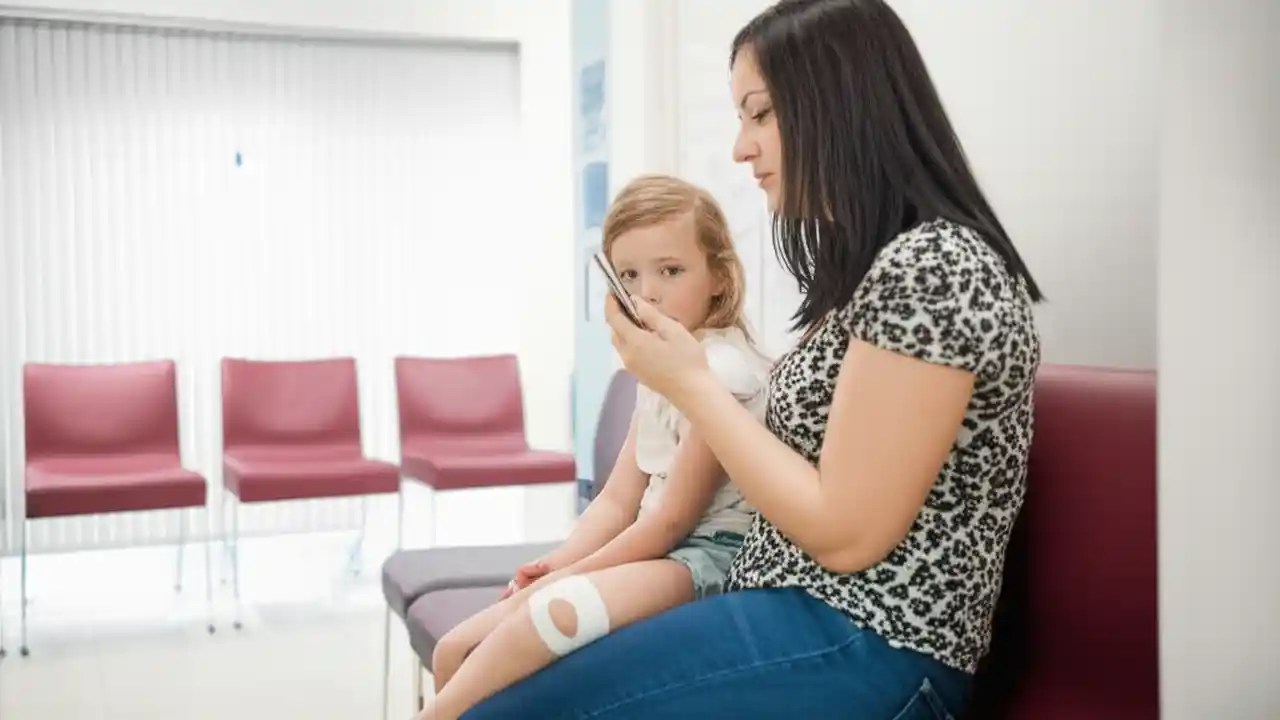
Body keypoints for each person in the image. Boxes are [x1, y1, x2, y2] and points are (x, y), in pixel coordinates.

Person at [459, 1, 1043, 718]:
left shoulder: (937, 265)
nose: (742, 148)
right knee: (499, 688)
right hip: (793, 613)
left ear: (840, 106)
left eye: (760, 114)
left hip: (867, 642)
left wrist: (689, 384)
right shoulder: (867, 276)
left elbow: (847, 533)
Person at [417, 174, 773, 719]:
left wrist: (567, 578)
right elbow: (615, 500)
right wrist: (556, 559)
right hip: (660, 549)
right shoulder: (657, 371)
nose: (647, 293)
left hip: (706, 557)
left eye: (670, 271)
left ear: (720, 279)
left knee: (547, 613)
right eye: (628, 276)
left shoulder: (717, 371)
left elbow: (670, 523)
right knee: (452, 649)